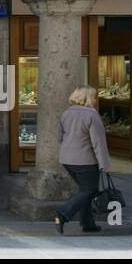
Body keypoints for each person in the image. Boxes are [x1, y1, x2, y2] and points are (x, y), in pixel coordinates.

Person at [54, 86, 111, 235]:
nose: (96, 100)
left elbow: (60, 137)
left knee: (84, 190)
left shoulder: (66, 113)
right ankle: (63, 214)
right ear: (89, 98)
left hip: (67, 159)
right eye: (95, 97)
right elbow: (98, 142)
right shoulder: (92, 115)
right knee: (90, 190)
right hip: (85, 160)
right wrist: (105, 164)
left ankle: (88, 223)